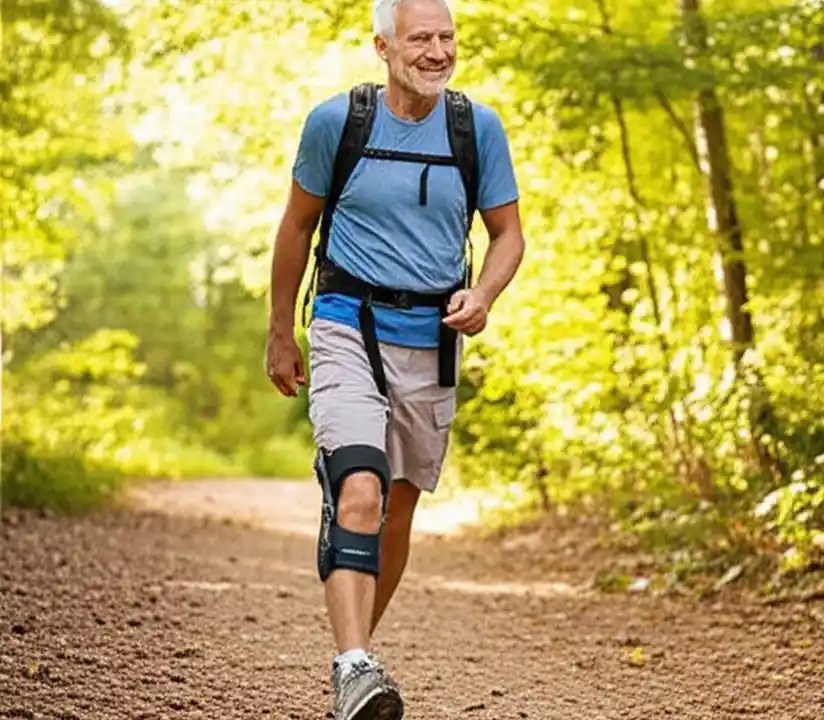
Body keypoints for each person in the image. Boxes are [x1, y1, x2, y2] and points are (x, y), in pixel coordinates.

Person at [264, 0, 525, 717]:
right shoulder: (336, 123)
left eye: (447, 38)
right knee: (361, 488)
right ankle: (355, 663)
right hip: (347, 325)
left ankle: (353, 668)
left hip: (431, 342)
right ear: (383, 46)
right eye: (421, 38)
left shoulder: (478, 129)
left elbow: (508, 235)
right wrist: (280, 332)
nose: (437, 51)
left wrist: (486, 293)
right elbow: (296, 226)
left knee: (396, 513)